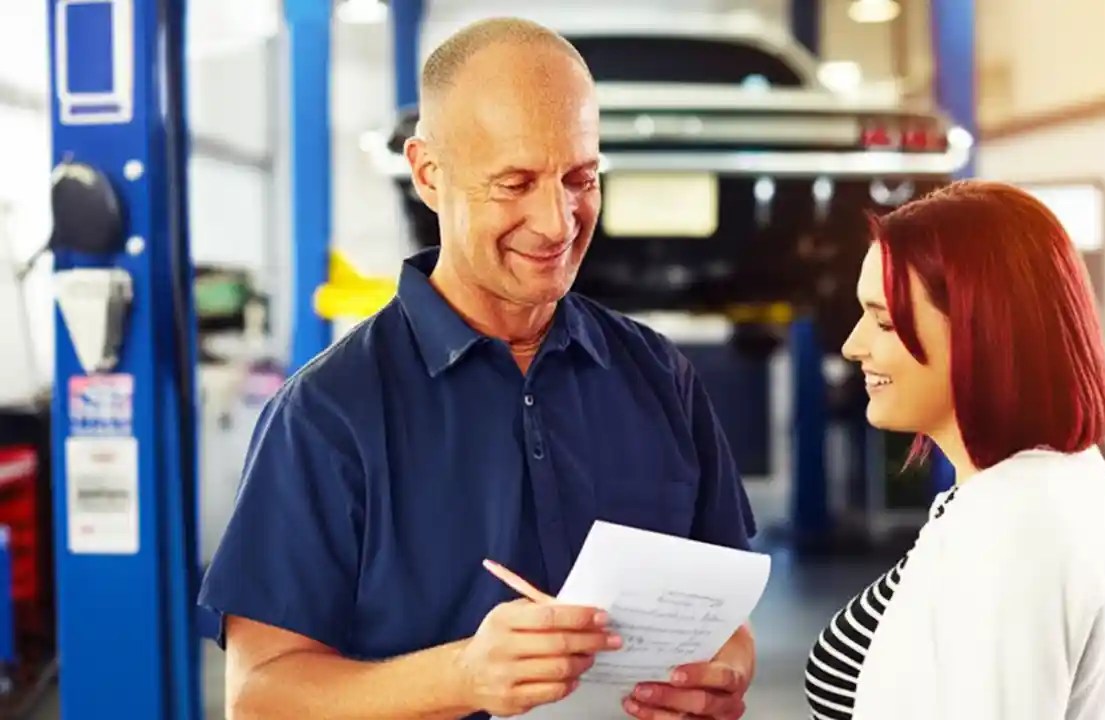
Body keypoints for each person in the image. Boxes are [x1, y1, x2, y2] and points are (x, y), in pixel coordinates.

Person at [199, 18, 757, 720]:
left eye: (581, 178)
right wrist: (461, 677)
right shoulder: (327, 415)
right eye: (515, 182)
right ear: (429, 173)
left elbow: (727, 623)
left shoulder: (658, 377)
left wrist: (718, 674)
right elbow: (258, 697)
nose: (557, 221)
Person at [804, 181, 1105, 719]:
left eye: (884, 320)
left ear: (980, 332)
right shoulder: (1032, 486)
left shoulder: (1015, 518)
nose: (853, 345)